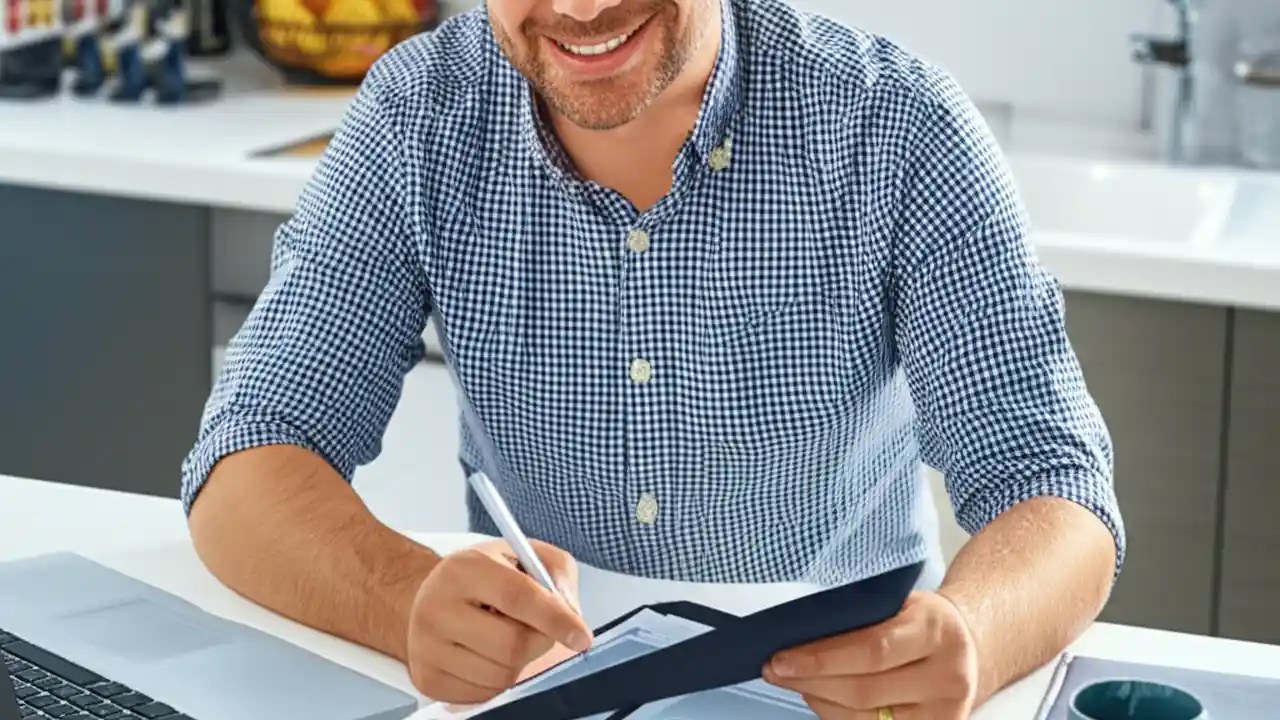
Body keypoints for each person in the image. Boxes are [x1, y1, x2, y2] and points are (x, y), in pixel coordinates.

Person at [183, 0, 1126, 717]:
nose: (583, 8)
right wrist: (404, 601)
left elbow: (1052, 482)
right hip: (544, 686)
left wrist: (974, 636)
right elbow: (248, 456)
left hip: (845, 690)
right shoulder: (415, 111)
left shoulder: (898, 121)